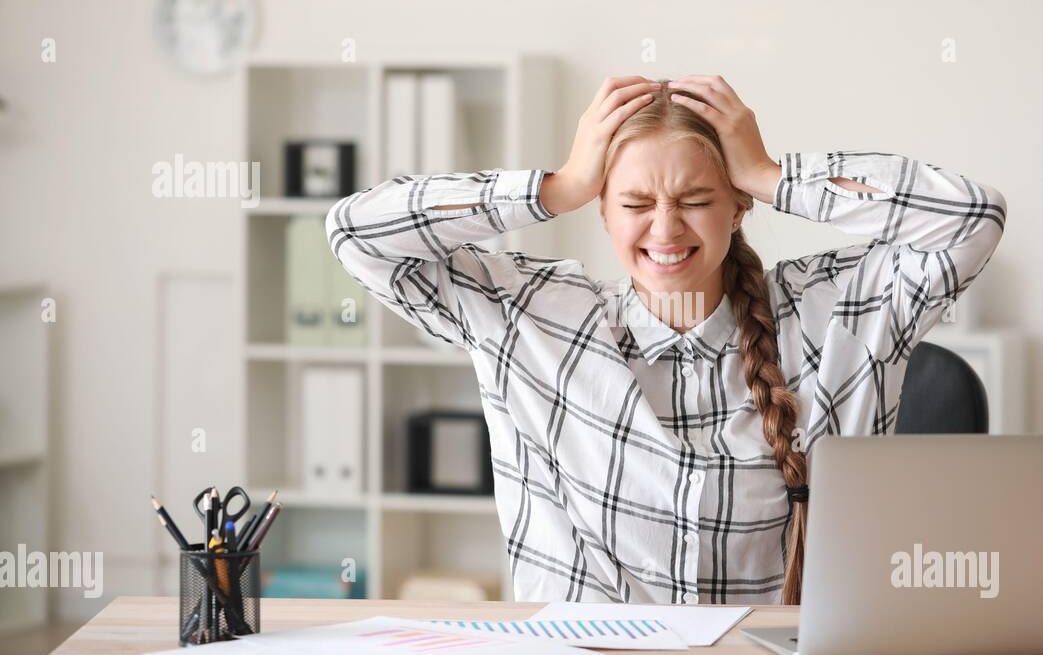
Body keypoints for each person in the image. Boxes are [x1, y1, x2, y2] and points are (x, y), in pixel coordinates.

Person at [325, 74, 1008, 605]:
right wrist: (555, 187)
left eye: (695, 200)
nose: (665, 228)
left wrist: (774, 174)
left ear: (738, 204)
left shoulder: (838, 316)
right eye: (634, 203)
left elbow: (971, 218)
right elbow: (356, 233)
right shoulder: (536, 319)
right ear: (601, 208)